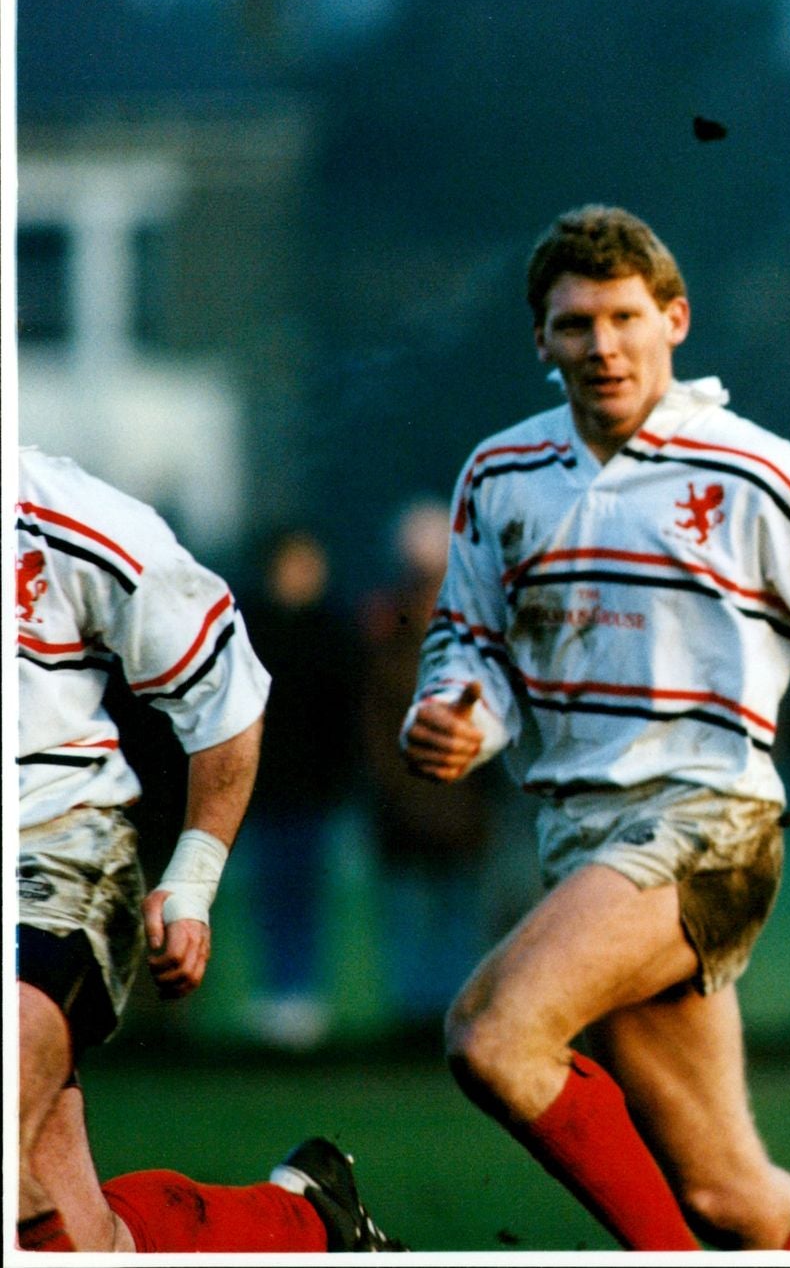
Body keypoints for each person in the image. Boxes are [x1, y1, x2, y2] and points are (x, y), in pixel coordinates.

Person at [401, 205, 790, 1251]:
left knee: (494, 1035)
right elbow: (472, 641)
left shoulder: (753, 471)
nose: (603, 344)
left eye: (626, 316)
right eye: (575, 322)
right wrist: (456, 711)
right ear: (539, 338)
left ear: (675, 319)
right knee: (730, 1192)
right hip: (579, 843)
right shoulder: (499, 475)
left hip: (706, 827)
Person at [15, 446, 399, 1253]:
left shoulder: (68, 517)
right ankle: (306, 1221)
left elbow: (224, 688)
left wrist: (191, 877)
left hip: (49, 860)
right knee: (79, 1240)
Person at [355, 499, 502, 1042]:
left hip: (463, 806)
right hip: (405, 805)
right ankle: (413, 1028)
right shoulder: (381, 634)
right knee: (410, 923)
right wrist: (397, 786)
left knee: (459, 922)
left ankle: (450, 1023)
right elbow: (371, 724)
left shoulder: (475, 631)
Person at [234, 526, 360, 1051]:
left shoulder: (332, 630)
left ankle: (304, 1000)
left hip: (314, 788)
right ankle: (274, 998)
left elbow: (346, 716)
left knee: (307, 893)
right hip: (262, 787)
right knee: (267, 894)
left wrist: (340, 780)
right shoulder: (250, 630)